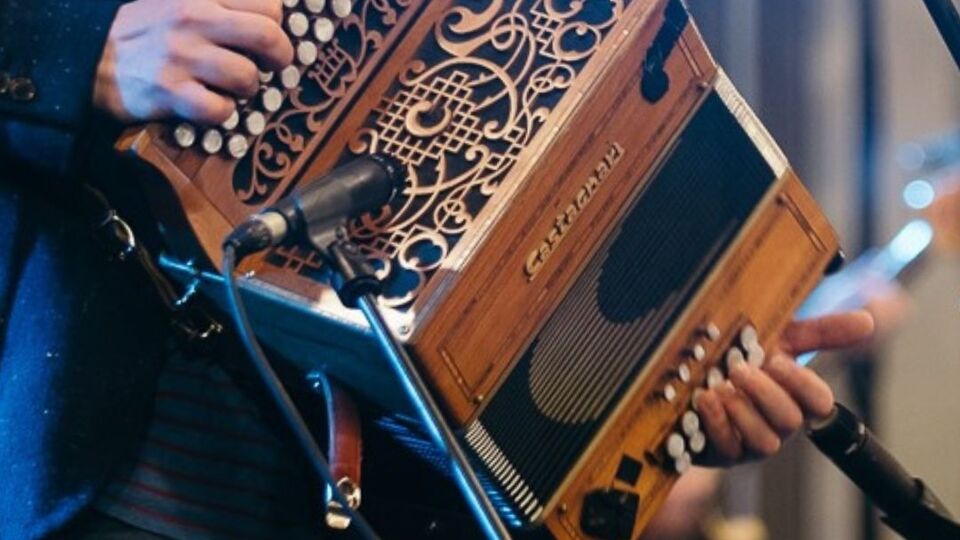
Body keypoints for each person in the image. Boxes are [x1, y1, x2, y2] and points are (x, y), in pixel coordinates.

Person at [0, 0, 877, 538]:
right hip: (122, 472)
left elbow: (545, 190)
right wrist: (82, 44)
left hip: (398, 499)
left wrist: (668, 382)